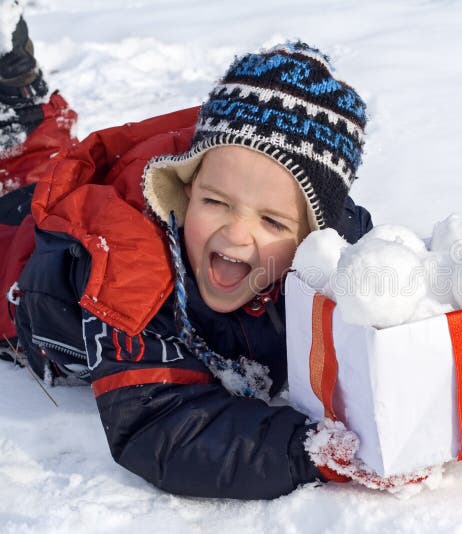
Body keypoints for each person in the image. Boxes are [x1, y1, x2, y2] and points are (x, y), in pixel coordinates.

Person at [1, 7, 427, 499]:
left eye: (271, 221)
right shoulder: (127, 273)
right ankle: (23, 122)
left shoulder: (336, 258)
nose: (236, 232)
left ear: (314, 237)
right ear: (185, 188)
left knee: (29, 175)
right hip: (22, 277)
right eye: (215, 202)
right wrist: (315, 451)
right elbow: (161, 425)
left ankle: (20, 118)